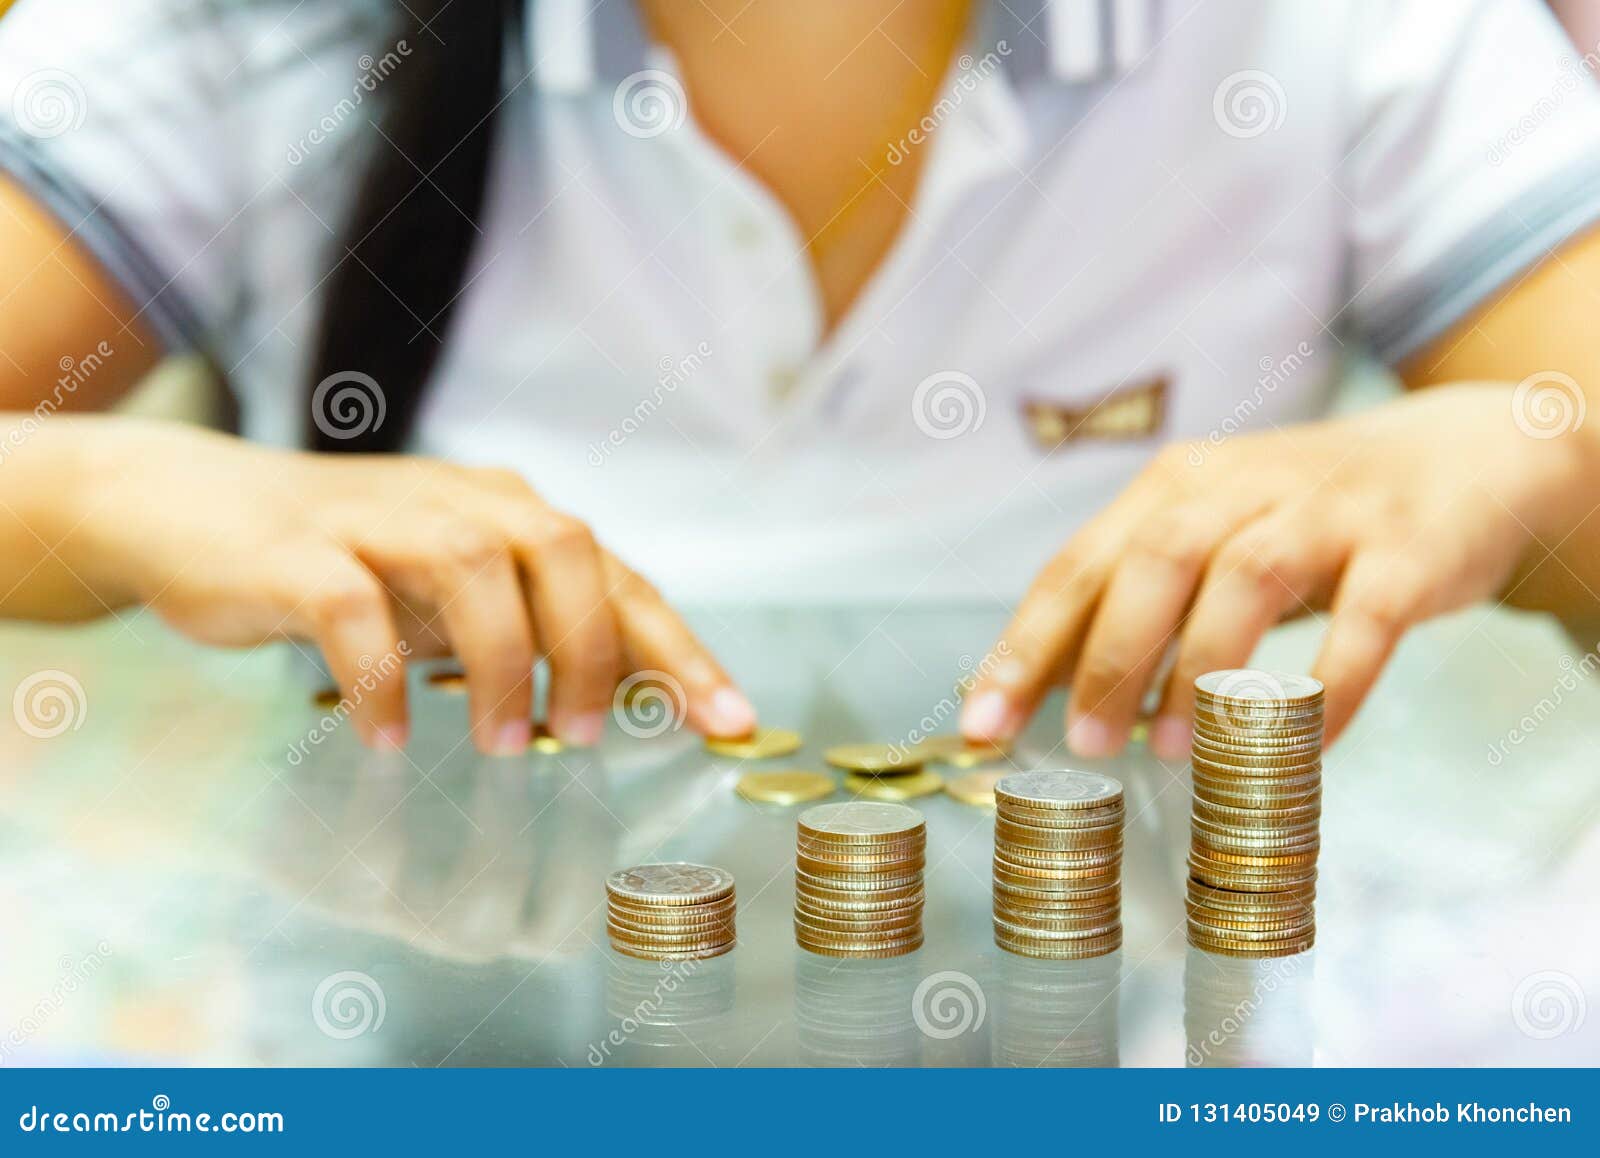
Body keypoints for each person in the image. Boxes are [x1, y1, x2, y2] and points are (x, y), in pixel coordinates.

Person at [1, 0, 1598, 761]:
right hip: (427, 1039)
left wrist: (1516, 452)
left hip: (1128, 1047)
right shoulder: (245, 28)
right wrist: (117, 490)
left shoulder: (1349, 31)